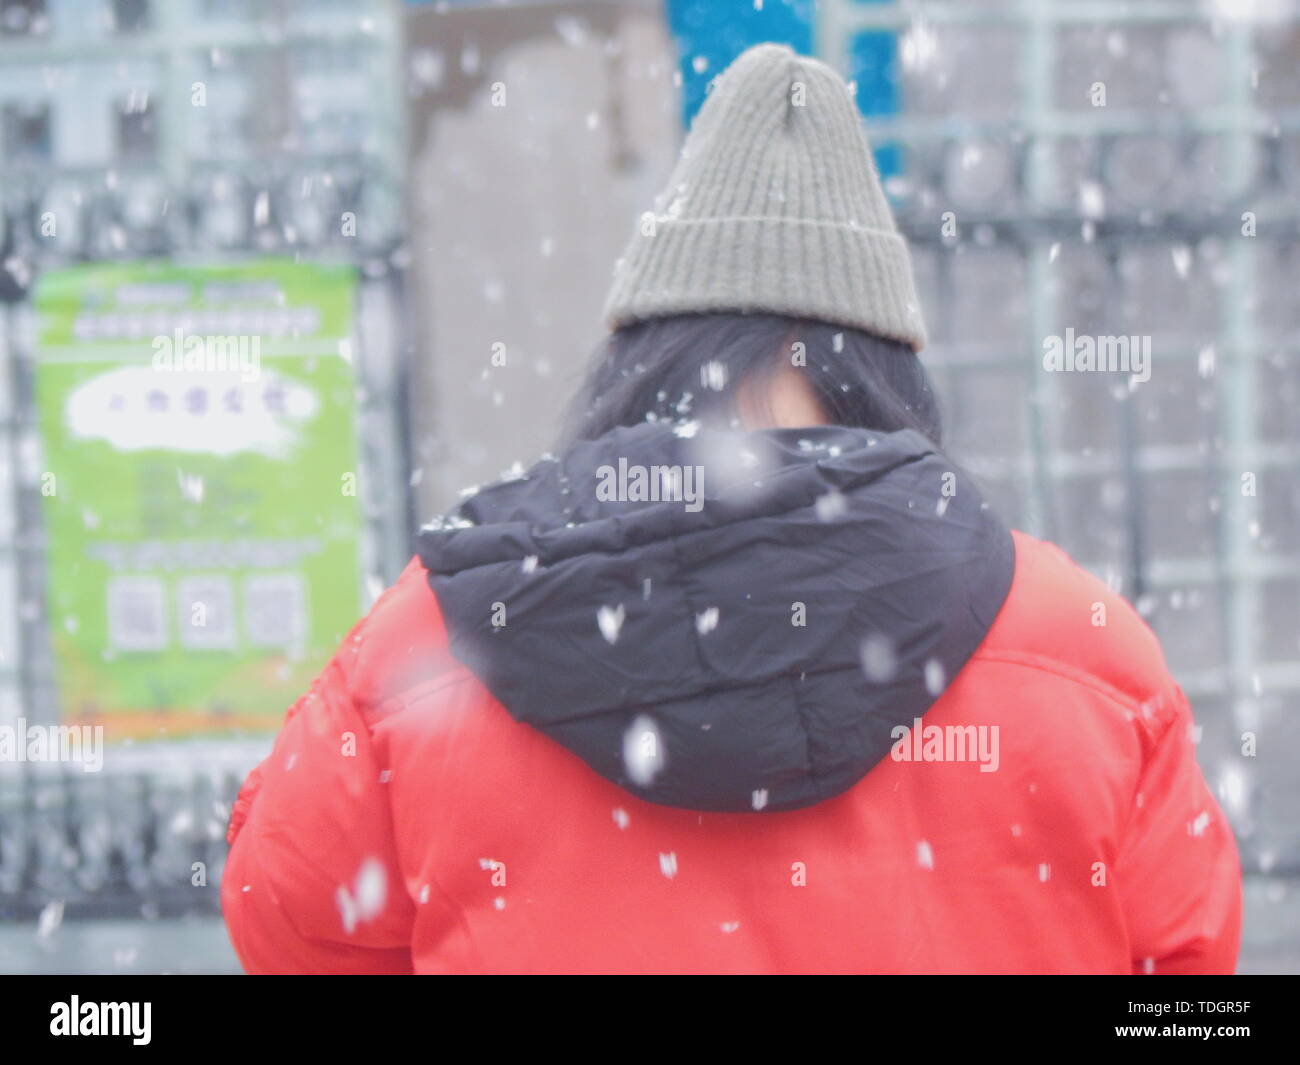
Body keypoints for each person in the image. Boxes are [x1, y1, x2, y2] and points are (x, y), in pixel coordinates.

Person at [221, 44, 1241, 974]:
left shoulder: (433, 648)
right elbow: (1189, 965)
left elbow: (286, 916)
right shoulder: (1083, 657)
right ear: (888, 371)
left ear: (636, 359)